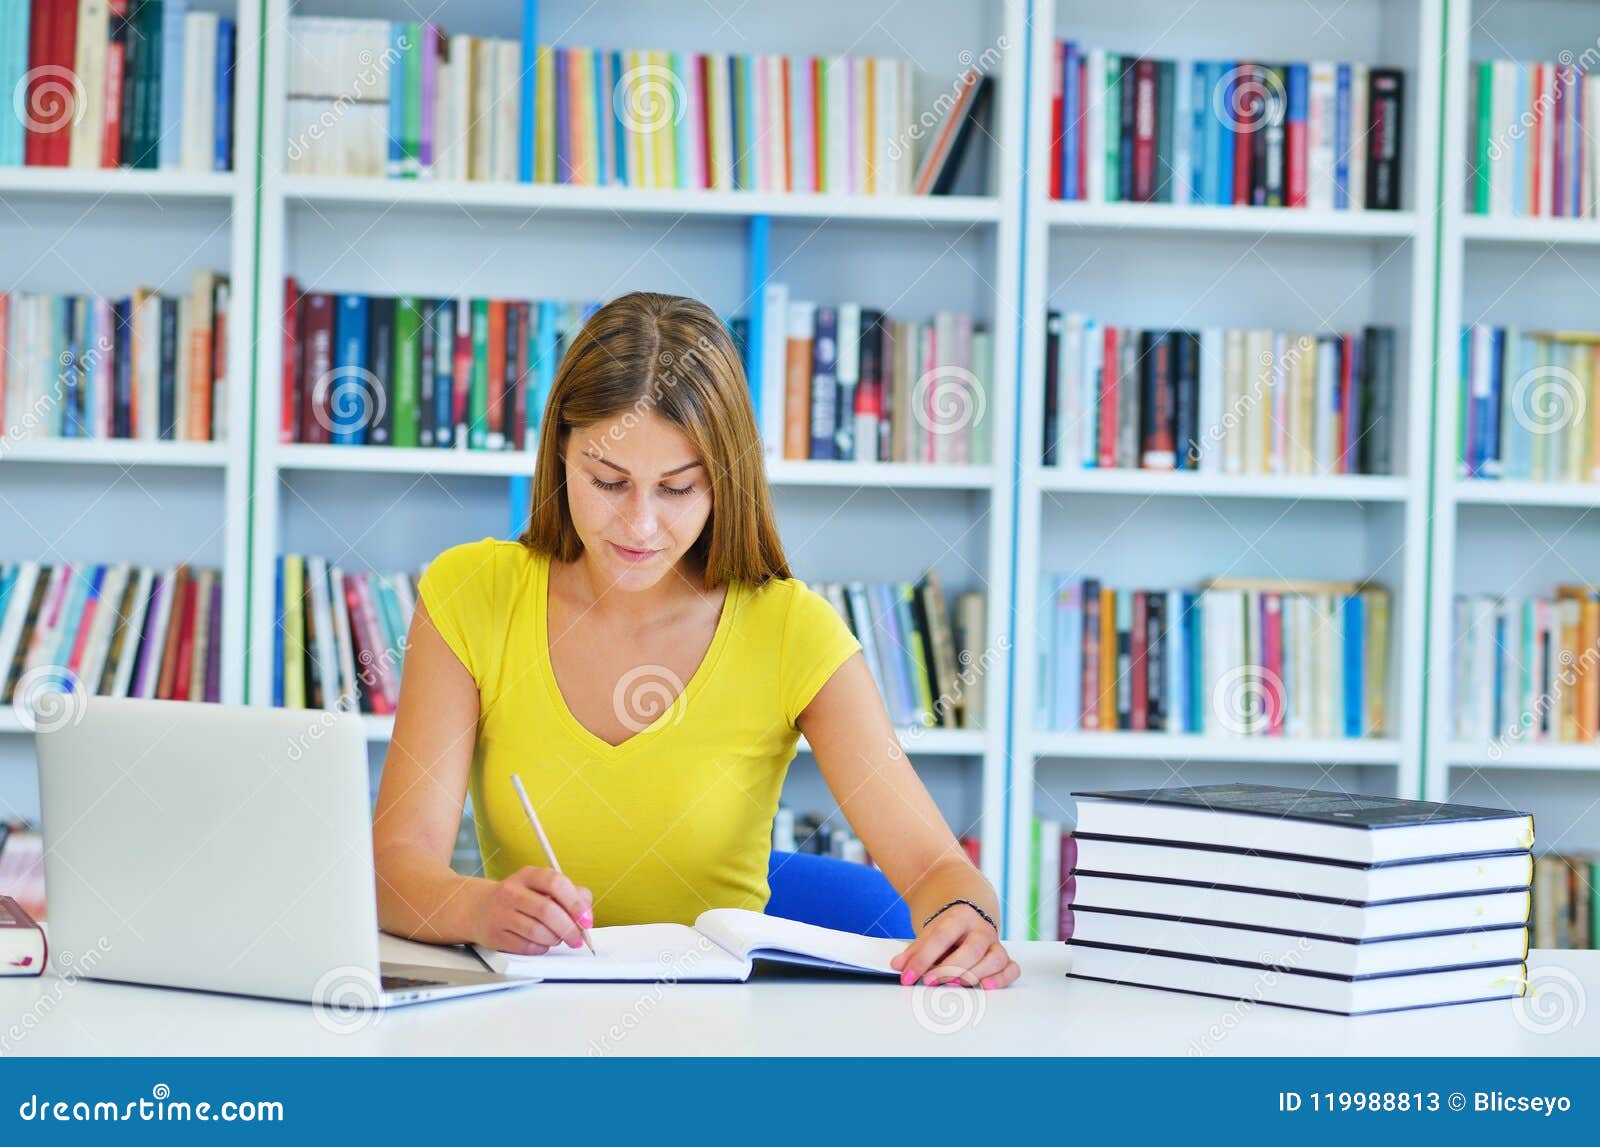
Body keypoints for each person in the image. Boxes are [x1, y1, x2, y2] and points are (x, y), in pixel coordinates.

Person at [373, 291, 1018, 990]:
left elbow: (937, 868)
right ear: (560, 451)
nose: (639, 525)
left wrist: (964, 917)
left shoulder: (790, 630)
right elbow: (393, 866)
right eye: (608, 480)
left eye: (677, 489)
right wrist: (481, 907)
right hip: (533, 1022)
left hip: (721, 1033)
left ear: (725, 482)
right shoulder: (473, 593)